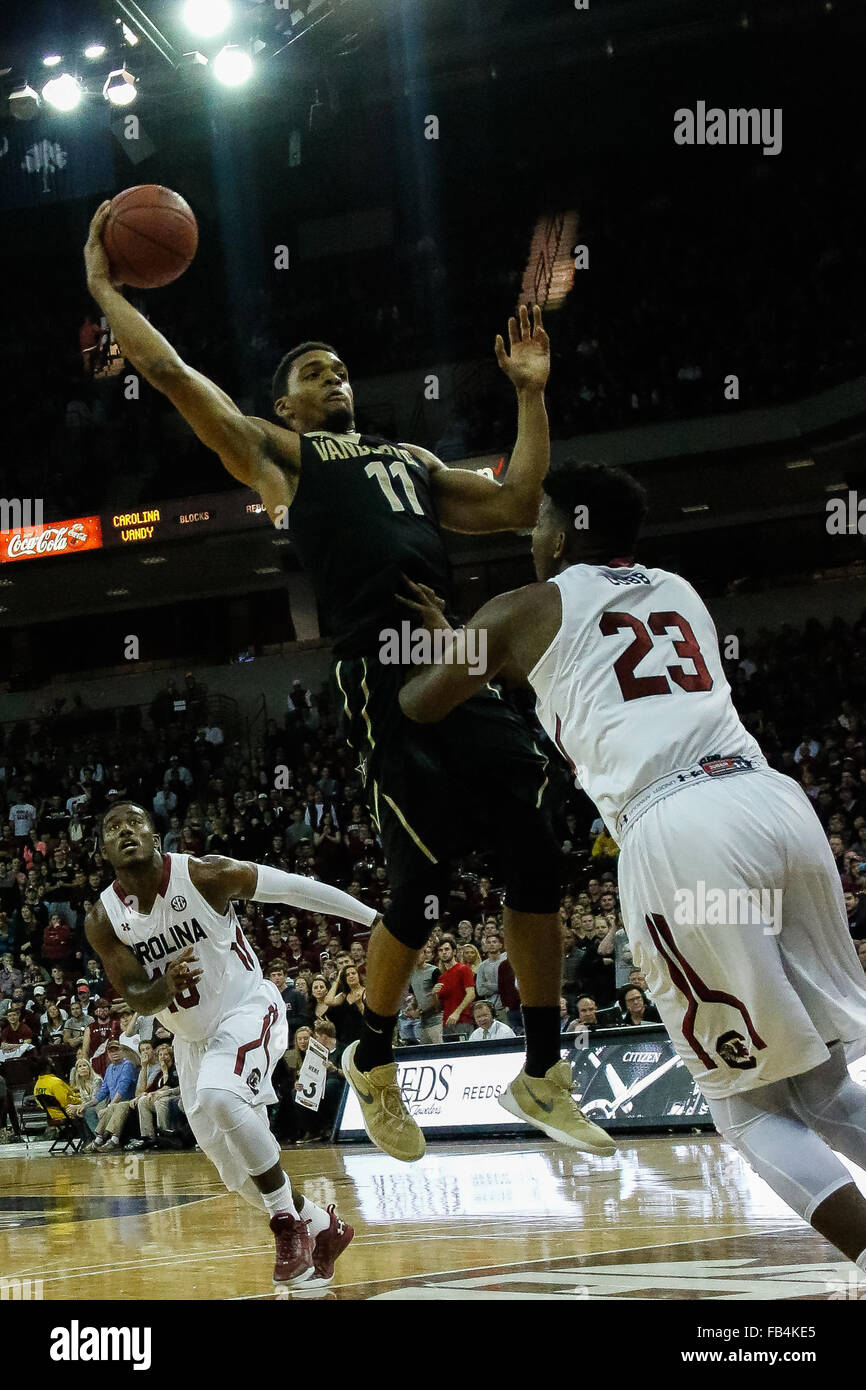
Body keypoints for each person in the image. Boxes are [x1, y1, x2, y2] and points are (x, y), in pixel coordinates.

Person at [84, 208, 593, 1165]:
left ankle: (543, 1066)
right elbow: (172, 376)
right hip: (377, 666)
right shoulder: (285, 458)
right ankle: (373, 1055)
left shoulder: (413, 460)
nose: (337, 378)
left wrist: (531, 396)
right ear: (286, 406)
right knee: (423, 876)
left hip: (452, 657)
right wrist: (110, 293)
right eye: (315, 373)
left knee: (535, 842)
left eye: (342, 369)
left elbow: (520, 502)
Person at [398, 456, 866, 1267]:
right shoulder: (678, 589)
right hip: (773, 804)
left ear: (568, 527)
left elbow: (421, 702)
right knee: (820, 1084)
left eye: (539, 519)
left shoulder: (522, 606)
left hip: (681, 829)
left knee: (747, 1109)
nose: (532, 535)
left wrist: (456, 637)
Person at [85, 799, 373, 1289]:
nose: (126, 830)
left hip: (247, 1009)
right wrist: (162, 989)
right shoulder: (103, 918)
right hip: (191, 1042)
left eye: (137, 822)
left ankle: (287, 1225)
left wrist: (372, 916)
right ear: (102, 851)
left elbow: (293, 889)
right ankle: (323, 1226)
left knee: (221, 1097)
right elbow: (132, 991)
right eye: (114, 828)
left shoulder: (204, 875)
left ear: (157, 837)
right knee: (239, 1177)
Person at [432, 936, 476, 1041]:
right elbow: (438, 1008)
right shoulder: (441, 977)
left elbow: (471, 994)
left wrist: (457, 1012)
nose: (444, 952)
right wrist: (434, 994)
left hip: (463, 1020)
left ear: (454, 951)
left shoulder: (463, 969)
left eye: (447, 949)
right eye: (441, 950)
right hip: (446, 1024)